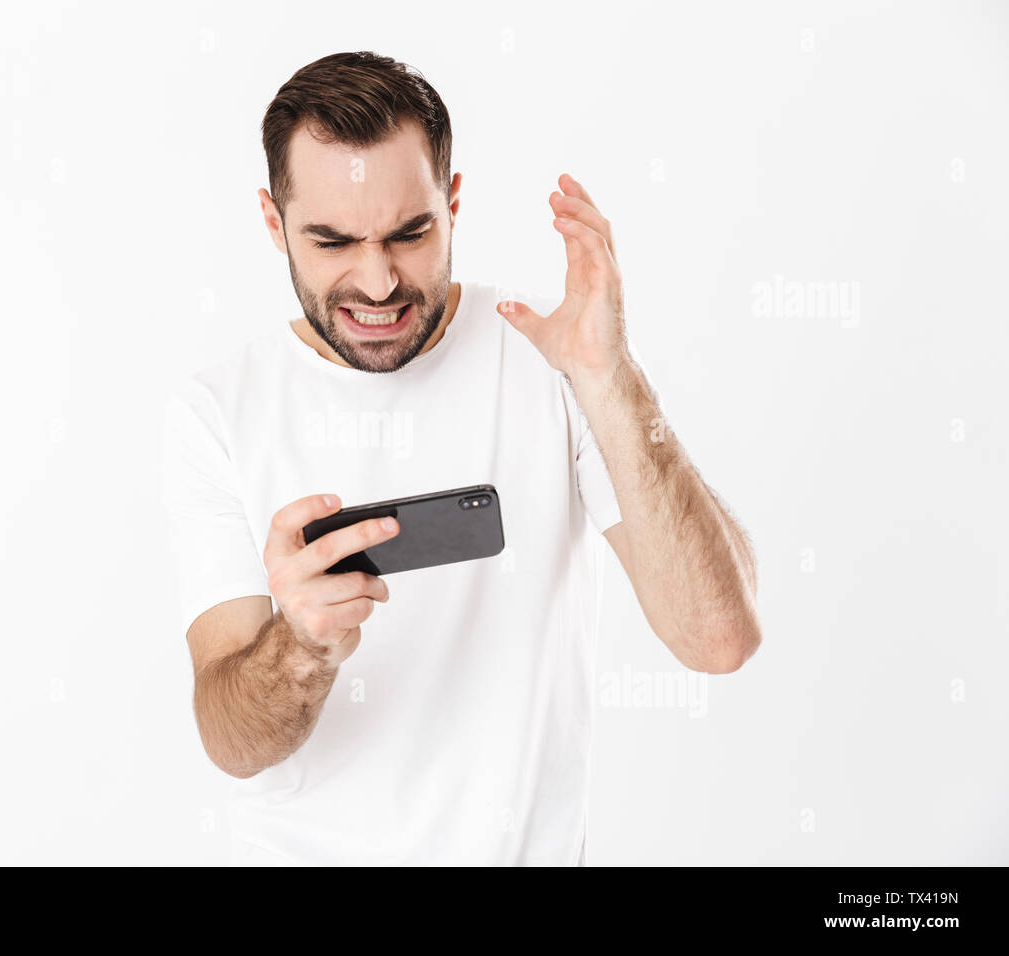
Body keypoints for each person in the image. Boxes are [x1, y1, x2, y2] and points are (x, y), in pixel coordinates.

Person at [161, 51, 761, 865]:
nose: (377, 284)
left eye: (409, 233)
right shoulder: (220, 413)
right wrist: (298, 645)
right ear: (274, 224)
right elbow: (231, 742)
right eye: (331, 241)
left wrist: (611, 379)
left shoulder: (550, 362)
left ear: (452, 203)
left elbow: (718, 639)